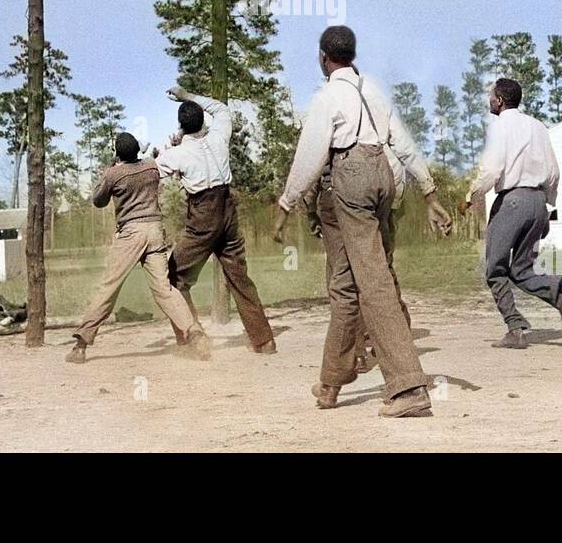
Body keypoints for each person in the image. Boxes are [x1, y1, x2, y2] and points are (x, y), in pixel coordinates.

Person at [279, 26, 436, 418]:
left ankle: (408, 386)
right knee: (347, 283)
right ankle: (331, 383)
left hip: (350, 175)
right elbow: (402, 143)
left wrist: (285, 203)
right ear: (352, 53)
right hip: (382, 172)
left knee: (373, 281)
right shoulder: (374, 92)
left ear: (323, 57)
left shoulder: (328, 96)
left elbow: (311, 156)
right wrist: (430, 193)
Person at [276, 91, 452, 377]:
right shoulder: (378, 122)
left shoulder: (329, 113)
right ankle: (390, 346)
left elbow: (311, 169)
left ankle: (356, 357)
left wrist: (301, 209)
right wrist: (428, 193)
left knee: (346, 281)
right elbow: (402, 163)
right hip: (383, 199)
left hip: (344, 201)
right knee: (381, 273)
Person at [66, 132, 211, 363]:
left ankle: (81, 344)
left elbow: (98, 200)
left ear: (117, 153)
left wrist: (108, 169)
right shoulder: (151, 168)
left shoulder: (114, 173)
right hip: (155, 231)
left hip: (130, 234)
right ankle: (193, 331)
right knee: (164, 289)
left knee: (109, 287)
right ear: (136, 151)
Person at [157, 86, 277, 353]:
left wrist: (169, 146)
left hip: (201, 216)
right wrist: (187, 94)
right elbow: (221, 109)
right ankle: (264, 340)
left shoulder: (176, 153)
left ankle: (192, 339)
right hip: (228, 212)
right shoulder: (219, 135)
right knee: (239, 277)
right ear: (203, 120)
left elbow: (154, 170)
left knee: (173, 277)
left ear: (181, 127)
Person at [462, 77, 562, 350]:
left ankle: (515, 330)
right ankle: (561, 298)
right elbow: (554, 171)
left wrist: (472, 194)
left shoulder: (500, 127)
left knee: (495, 269)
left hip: (511, 201)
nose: (488, 100)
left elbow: (492, 170)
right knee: (523, 269)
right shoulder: (538, 127)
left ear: (500, 101)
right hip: (538, 200)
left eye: (491, 96)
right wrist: (545, 205)